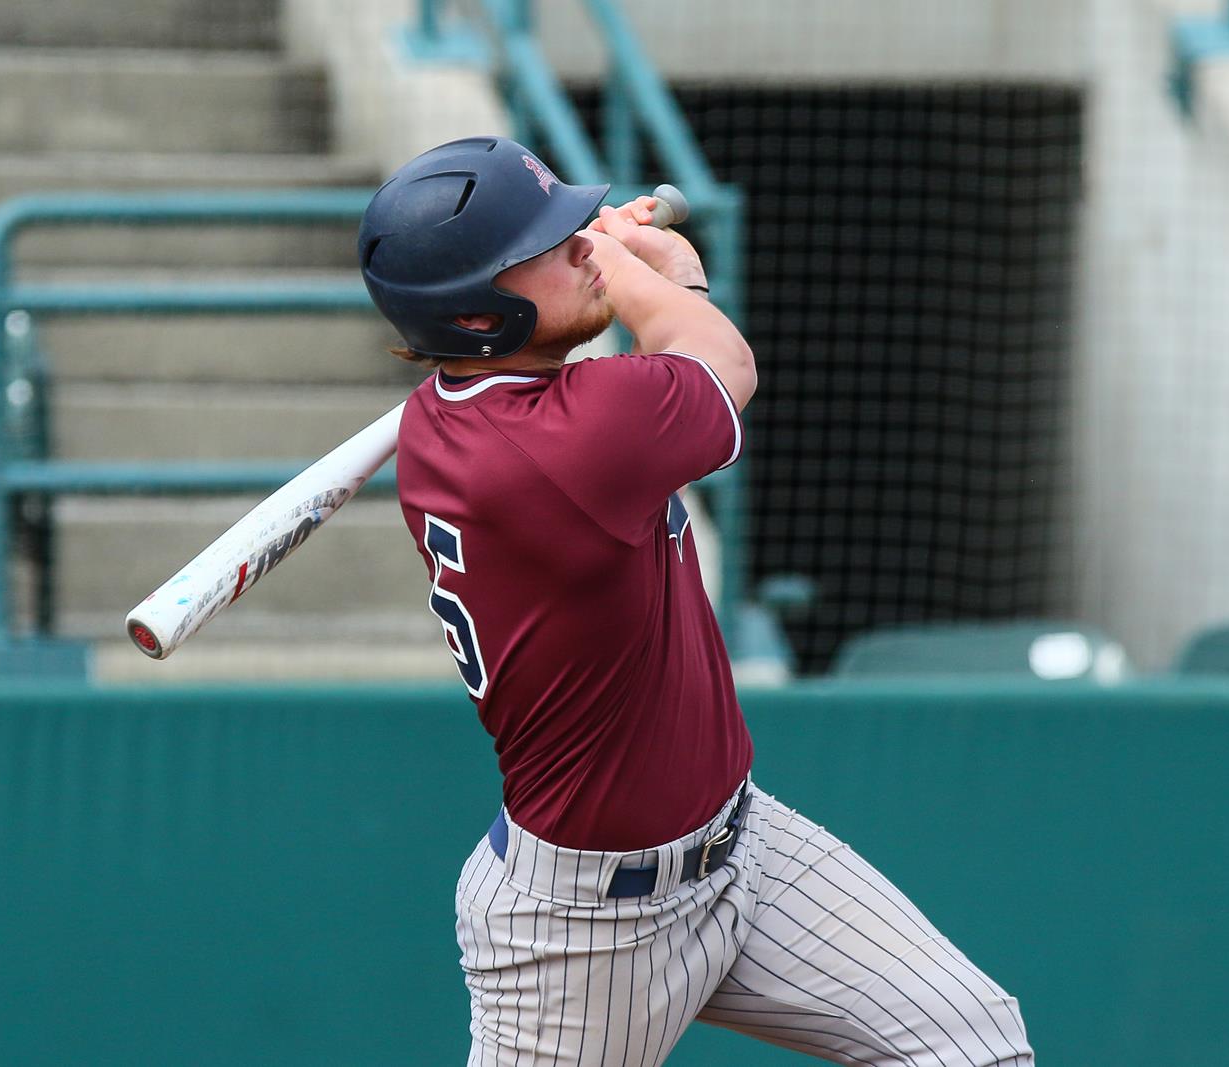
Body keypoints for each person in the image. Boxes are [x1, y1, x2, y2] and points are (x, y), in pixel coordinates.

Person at [357, 136, 1033, 1067]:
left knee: (973, 1045)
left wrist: (598, 270)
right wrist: (662, 279)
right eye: (551, 247)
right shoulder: (557, 448)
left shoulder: (474, 413)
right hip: (582, 937)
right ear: (478, 319)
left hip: (742, 848)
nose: (584, 244)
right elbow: (719, 364)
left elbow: (648, 389)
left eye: (571, 229)